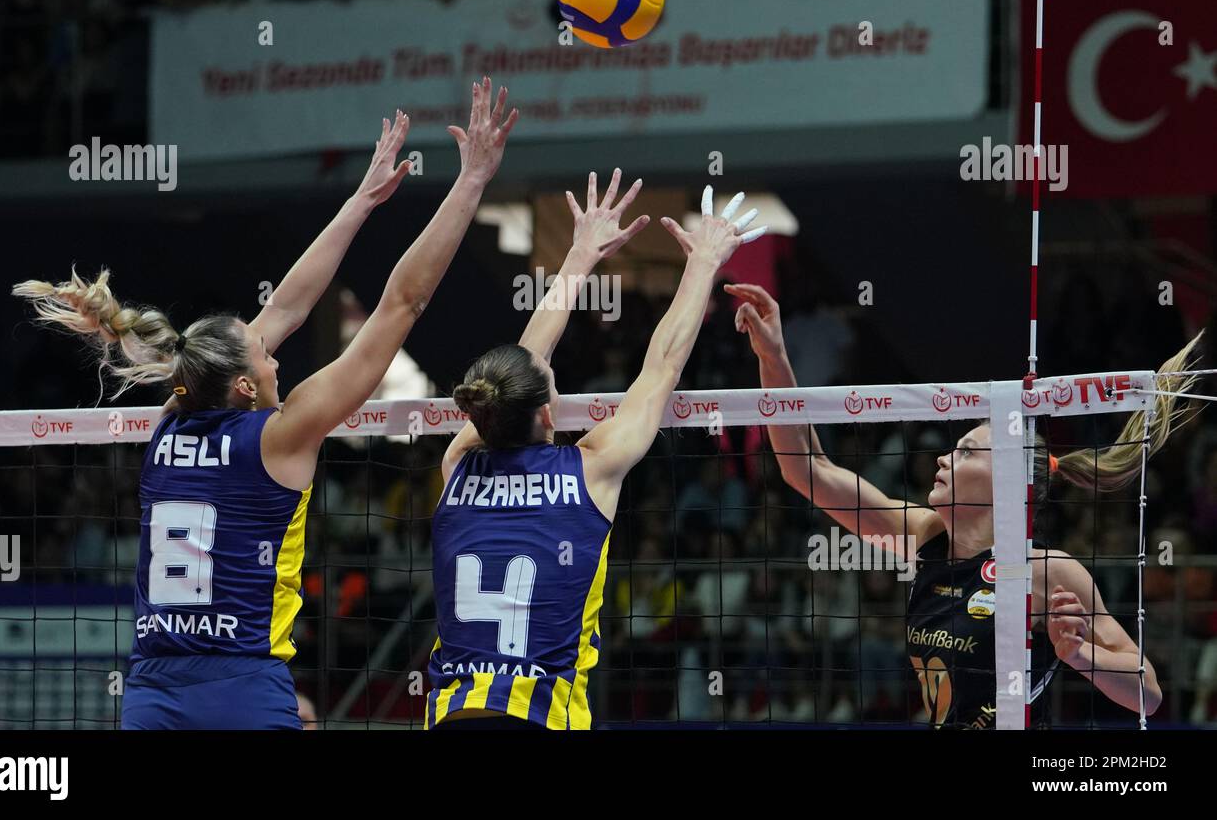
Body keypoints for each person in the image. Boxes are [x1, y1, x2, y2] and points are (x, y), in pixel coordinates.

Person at [13, 79, 518, 729]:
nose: (276, 352)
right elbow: (401, 303)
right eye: (265, 354)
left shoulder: (169, 425)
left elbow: (284, 306)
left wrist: (361, 201)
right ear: (246, 385)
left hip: (151, 691)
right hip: (241, 687)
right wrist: (471, 181)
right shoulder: (281, 437)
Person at [725, 281, 1204, 727]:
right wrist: (774, 354)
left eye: (967, 451)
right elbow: (808, 469)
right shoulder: (924, 535)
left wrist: (1080, 657)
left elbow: (1149, 693)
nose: (942, 457)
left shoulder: (1045, 571)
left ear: (1010, 479)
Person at [426, 181, 766, 729]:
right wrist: (703, 263)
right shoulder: (589, 470)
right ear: (546, 415)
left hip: (454, 716)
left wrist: (579, 255)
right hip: (538, 718)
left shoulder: (458, 465)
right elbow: (663, 365)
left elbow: (523, 364)